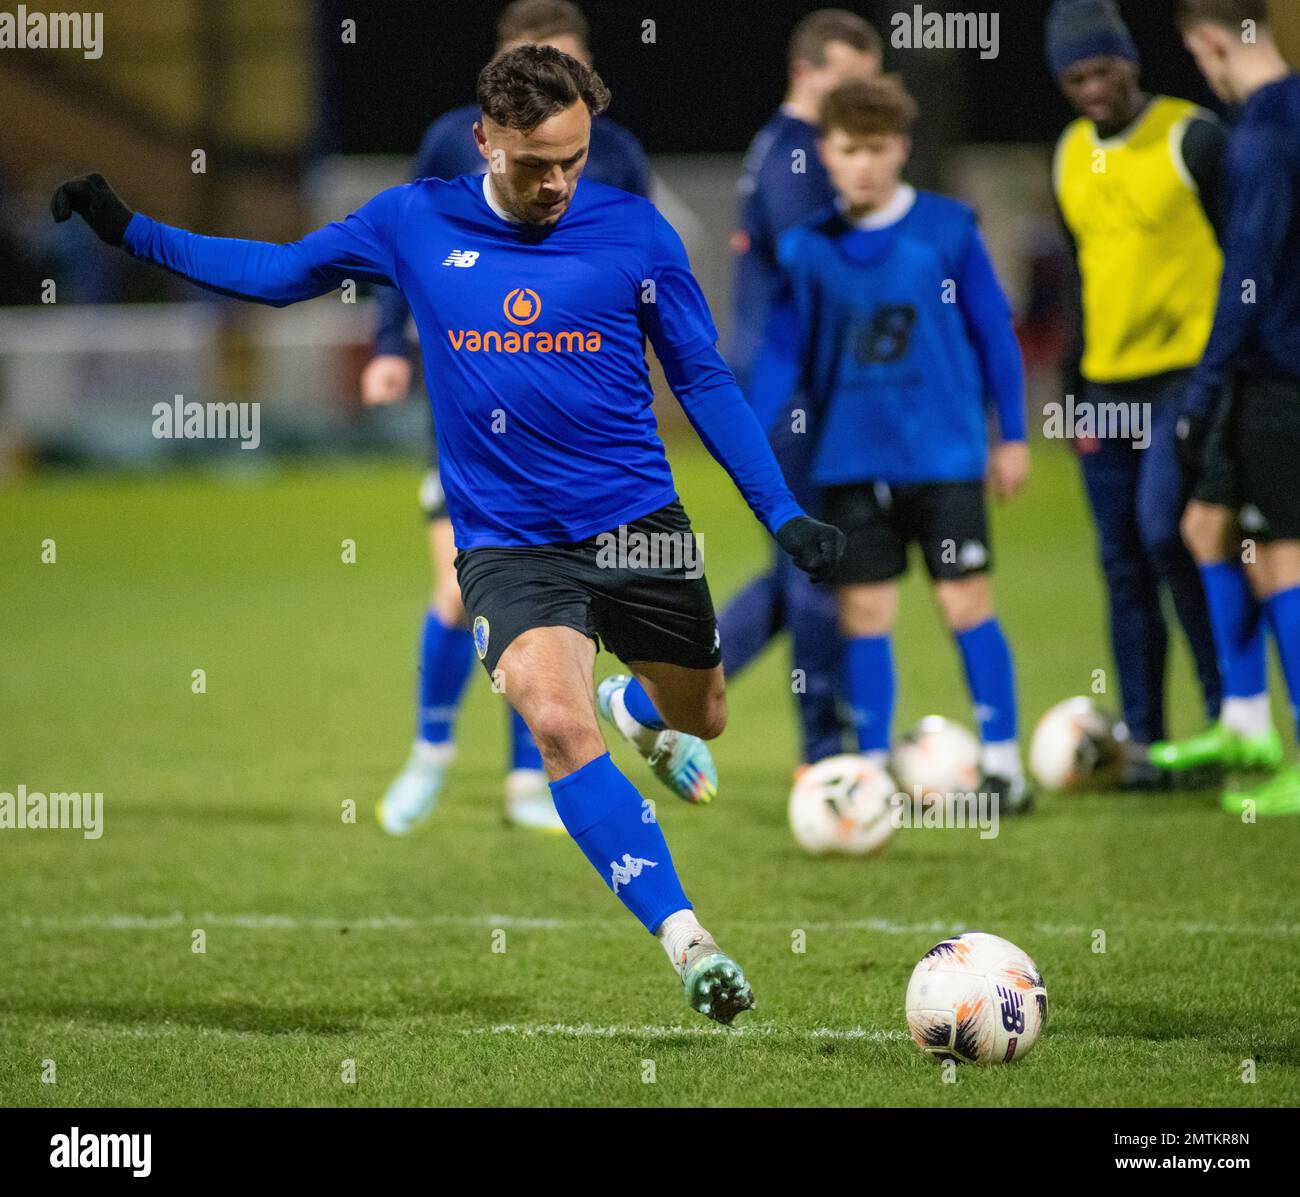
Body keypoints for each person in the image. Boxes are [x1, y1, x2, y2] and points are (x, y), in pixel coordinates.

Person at [52, 46, 844, 1021]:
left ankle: (641, 711)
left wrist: (784, 514)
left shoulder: (634, 231)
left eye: (572, 159)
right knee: (555, 721)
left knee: (704, 718)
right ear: (484, 141)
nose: (556, 182)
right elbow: (275, 272)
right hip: (509, 543)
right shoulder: (414, 219)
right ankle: (690, 943)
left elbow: (703, 379)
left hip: (638, 527)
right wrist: (129, 231)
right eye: (532, 163)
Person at [360, 0, 652, 836]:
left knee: (558, 607)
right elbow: (395, 250)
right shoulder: (453, 141)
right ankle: (431, 750)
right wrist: (390, 345)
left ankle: (531, 777)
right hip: (473, 414)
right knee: (459, 591)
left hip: (573, 428)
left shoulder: (618, 155)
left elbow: (638, 274)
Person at [748, 77, 1034, 813]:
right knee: (864, 615)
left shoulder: (947, 228)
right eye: (849, 150)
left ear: (901, 148)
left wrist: (1014, 435)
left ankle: (1004, 763)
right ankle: (872, 774)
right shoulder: (807, 249)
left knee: (966, 603)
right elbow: (782, 353)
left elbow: (994, 333)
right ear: (826, 154)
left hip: (944, 457)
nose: (865, 164)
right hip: (847, 459)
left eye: (878, 149)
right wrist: (748, 428)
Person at [1047, 0, 1239, 790]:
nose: (1094, 87)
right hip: (1104, 389)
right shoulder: (1066, 153)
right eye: (1077, 76)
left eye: (1105, 69)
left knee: (1168, 534)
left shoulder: (1194, 137)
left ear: (1132, 61)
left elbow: (1250, 256)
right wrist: (1072, 391)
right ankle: (1149, 748)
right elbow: (1078, 283)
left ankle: (1231, 720)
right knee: (1122, 562)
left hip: (1185, 379)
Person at [717, 8, 882, 771]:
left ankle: (655, 701)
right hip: (789, 394)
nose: (862, 98)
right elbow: (819, 271)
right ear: (806, 73)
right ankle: (825, 752)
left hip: (787, 388)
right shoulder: (794, 156)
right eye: (848, 82)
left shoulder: (788, 149)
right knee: (820, 566)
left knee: (794, 569)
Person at [1172, 0, 1300, 814]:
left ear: (1215, 41)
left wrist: (1205, 388)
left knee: (1284, 559)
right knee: (1206, 526)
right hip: (1276, 373)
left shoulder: (1259, 136)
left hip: (1273, 379)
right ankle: (1247, 719)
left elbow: (1244, 280)